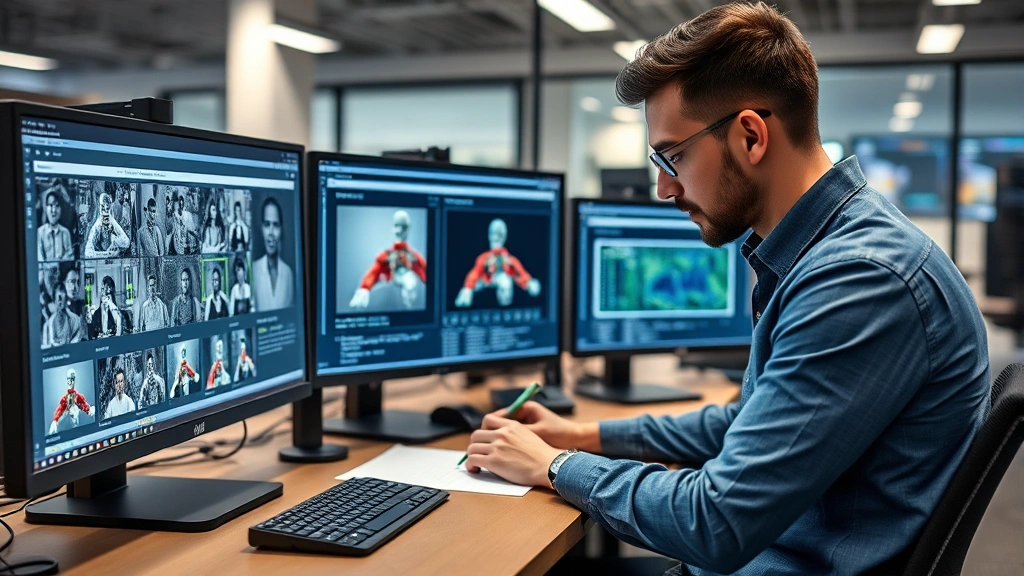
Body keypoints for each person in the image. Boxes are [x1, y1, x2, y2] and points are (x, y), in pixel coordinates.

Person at [461, 5, 990, 575]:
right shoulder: (828, 252)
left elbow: (716, 522)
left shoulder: (860, 281)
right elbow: (745, 425)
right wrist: (584, 434)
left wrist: (557, 465)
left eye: (674, 156)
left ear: (750, 136)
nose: (664, 189)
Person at [350, 210, 427, 310]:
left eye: (403, 227)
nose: (399, 231)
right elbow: (373, 272)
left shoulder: (413, 256)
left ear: (407, 229)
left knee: (410, 284)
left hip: (409, 300)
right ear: (393, 228)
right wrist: (364, 288)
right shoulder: (386, 256)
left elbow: (425, 272)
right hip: (388, 293)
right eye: (397, 226)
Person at [454, 218, 540, 308]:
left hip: (502, 280)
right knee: (475, 286)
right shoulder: (484, 258)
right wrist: (468, 288)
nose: (496, 238)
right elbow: (475, 271)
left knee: (505, 281)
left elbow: (520, 272)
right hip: (486, 281)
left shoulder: (509, 259)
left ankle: (505, 306)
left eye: (499, 235)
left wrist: (528, 283)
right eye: (493, 234)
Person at [252, 197, 294, 311]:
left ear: (281, 229)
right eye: (267, 224)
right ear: (261, 228)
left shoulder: (288, 273)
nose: (271, 233)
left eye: (275, 225)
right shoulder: (253, 271)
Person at [84, 192, 131, 258]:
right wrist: (102, 254)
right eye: (103, 207)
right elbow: (88, 252)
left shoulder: (112, 224)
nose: (105, 211)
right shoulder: (97, 226)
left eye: (107, 209)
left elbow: (126, 242)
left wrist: (115, 243)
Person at [49, 368, 95, 434]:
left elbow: (84, 405)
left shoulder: (79, 398)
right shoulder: (65, 399)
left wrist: (89, 410)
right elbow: (60, 408)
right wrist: (55, 420)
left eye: (72, 379)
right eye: (69, 379)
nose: (70, 382)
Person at [42, 281, 87, 348]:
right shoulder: (48, 326)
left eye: (62, 294)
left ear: (66, 297)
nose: (59, 299)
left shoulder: (77, 320)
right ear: (54, 299)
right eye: (57, 295)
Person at [38, 189, 74, 261]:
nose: (54, 210)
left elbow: (70, 258)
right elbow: (40, 262)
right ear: (45, 208)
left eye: (57, 206)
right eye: (51, 205)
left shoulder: (65, 232)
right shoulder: (40, 232)